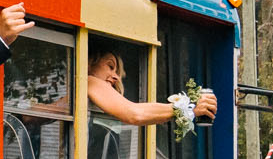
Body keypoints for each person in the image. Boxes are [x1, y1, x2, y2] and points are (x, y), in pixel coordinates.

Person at [88, 45, 217, 126]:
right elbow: (134, 114)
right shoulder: (89, 81)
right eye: (110, 66)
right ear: (90, 62)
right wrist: (189, 107)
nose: (116, 77)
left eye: (117, 73)